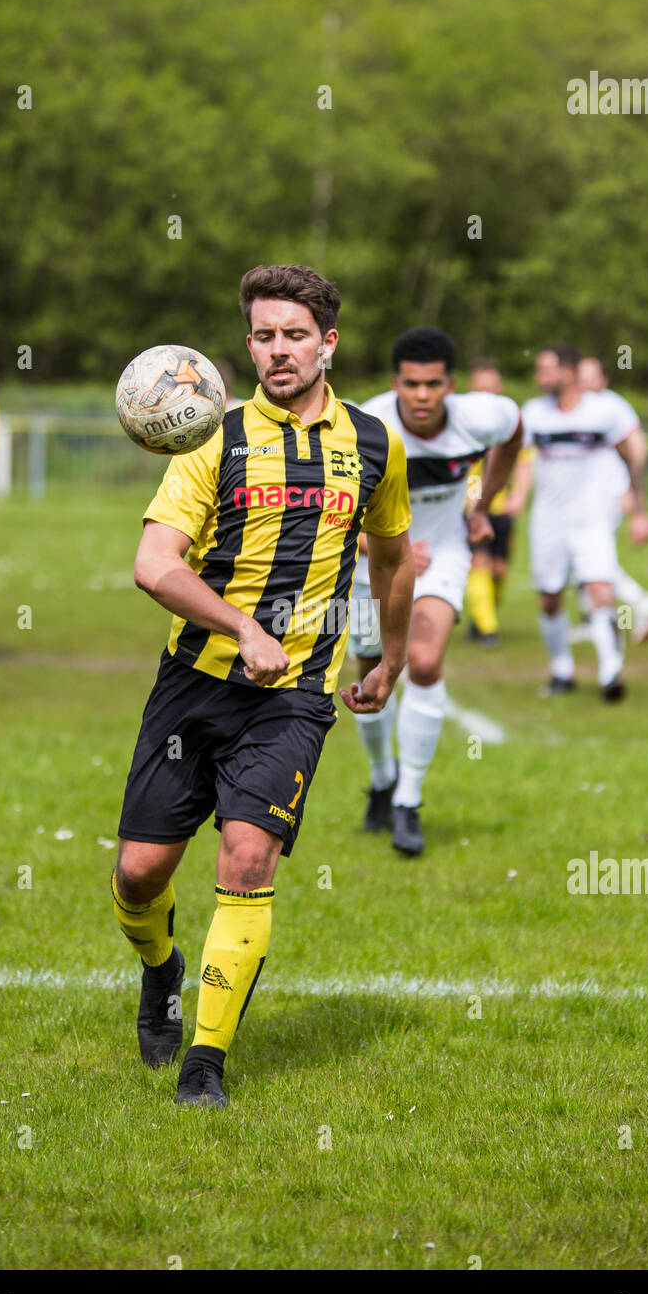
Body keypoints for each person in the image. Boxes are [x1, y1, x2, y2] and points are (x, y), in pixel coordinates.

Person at [112, 265, 414, 1108]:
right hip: (194, 686)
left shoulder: (373, 443)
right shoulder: (212, 436)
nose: (278, 350)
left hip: (295, 697)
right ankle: (161, 967)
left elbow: (392, 560)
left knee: (246, 859)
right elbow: (153, 566)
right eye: (263, 335)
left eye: (294, 335)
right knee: (140, 874)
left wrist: (386, 659)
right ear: (246, 345)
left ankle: (205, 1064)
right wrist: (242, 627)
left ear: (328, 343)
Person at [350, 329, 521, 855]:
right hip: (372, 561)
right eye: (411, 384)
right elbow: (331, 506)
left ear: (451, 384)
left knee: (422, 663)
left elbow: (514, 436)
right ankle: (381, 779)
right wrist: (377, 546)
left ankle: (408, 801)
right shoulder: (366, 426)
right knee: (372, 674)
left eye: (433, 384)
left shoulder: (484, 416)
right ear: (395, 383)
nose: (421, 395)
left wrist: (482, 503)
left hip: (444, 553)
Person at [519, 344, 648, 702]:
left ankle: (611, 673)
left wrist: (639, 510)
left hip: (592, 520)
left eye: (546, 369)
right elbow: (522, 461)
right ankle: (562, 670)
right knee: (550, 598)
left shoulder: (605, 411)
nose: (539, 377)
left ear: (568, 372)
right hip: (548, 522)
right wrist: (513, 498)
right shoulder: (533, 413)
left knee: (601, 591)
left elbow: (633, 454)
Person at [577, 356, 648, 644]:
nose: (585, 381)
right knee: (585, 560)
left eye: (591, 375)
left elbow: (637, 450)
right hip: (583, 498)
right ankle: (596, 619)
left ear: (604, 379)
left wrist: (633, 494)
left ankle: (641, 602)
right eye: (581, 374)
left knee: (591, 560)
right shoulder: (575, 407)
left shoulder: (612, 407)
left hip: (607, 497)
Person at [462, 358, 533, 647]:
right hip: (470, 506)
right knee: (479, 562)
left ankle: (481, 620)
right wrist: (467, 499)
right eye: (480, 388)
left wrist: (519, 495)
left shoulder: (509, 418)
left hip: (502, 507)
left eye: (491, 388)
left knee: (499, 570)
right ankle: (489, 629)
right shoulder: (461, 418)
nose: (486, 394)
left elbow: (523, 461)